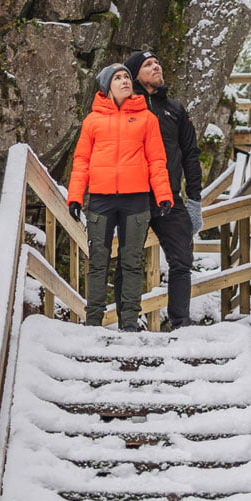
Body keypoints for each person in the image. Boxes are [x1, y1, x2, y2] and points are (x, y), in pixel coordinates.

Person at [67, 63, 174, 328]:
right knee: (98, 261)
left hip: (135, 200)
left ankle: (129, 323)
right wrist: (75, 197)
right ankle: (93, 322)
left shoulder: (147, 118)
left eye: (127, 76)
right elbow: (81, 160)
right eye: (118, 78)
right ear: (106, 86)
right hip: (101, 200)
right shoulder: (92, 121)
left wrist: (163, 195)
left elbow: (156, 160)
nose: (125, 81)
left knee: (132, 262)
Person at [124, 50, 203, 332]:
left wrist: (195, 199)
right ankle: (128, 323)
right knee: (128, 259)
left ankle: (180, 322)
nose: (156, 66)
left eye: (157, 62)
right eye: (148, 64)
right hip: (133, 197)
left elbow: (190, 154)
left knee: (182, 260)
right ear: (135, 75)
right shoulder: (125, 107)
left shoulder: (175, 109)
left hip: (169, 198)